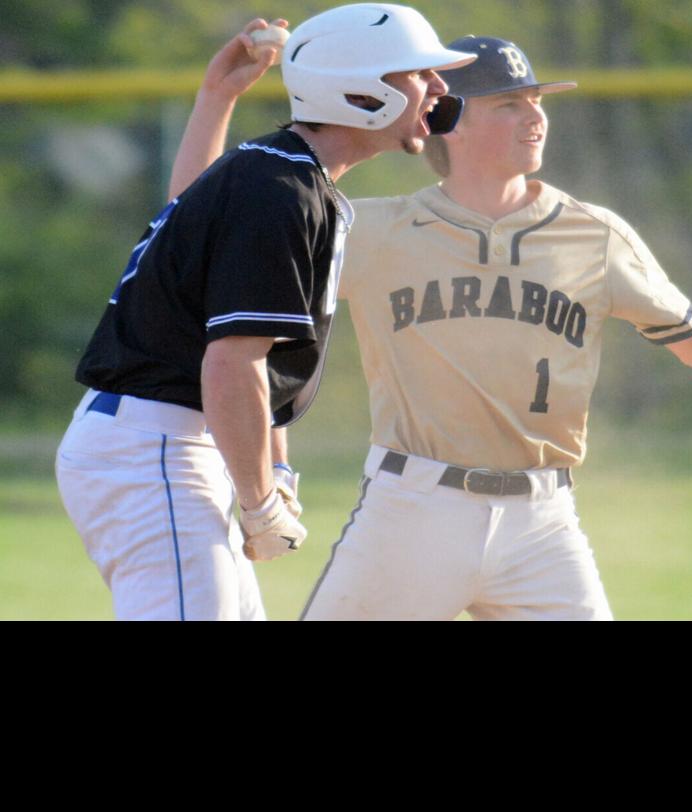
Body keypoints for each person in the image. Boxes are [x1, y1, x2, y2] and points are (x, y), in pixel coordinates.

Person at [176, 32, 692, 621]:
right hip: (413, 510)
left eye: (537, 101)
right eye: (510, 104)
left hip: (541, 521)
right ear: (447, 121)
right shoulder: (373, 230)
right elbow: (199, 225)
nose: (535, 117)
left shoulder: (594, 234)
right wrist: (216, 98)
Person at [54, 4, 476, 621]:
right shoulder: (280, 191)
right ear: (361, 91)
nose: (439, 88)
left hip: (164, 443)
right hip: (156, 449)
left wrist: (215, 97)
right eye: (418, 72)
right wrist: (258, 502)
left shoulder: (282, 175)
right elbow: (232, 365)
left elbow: (189, 219)